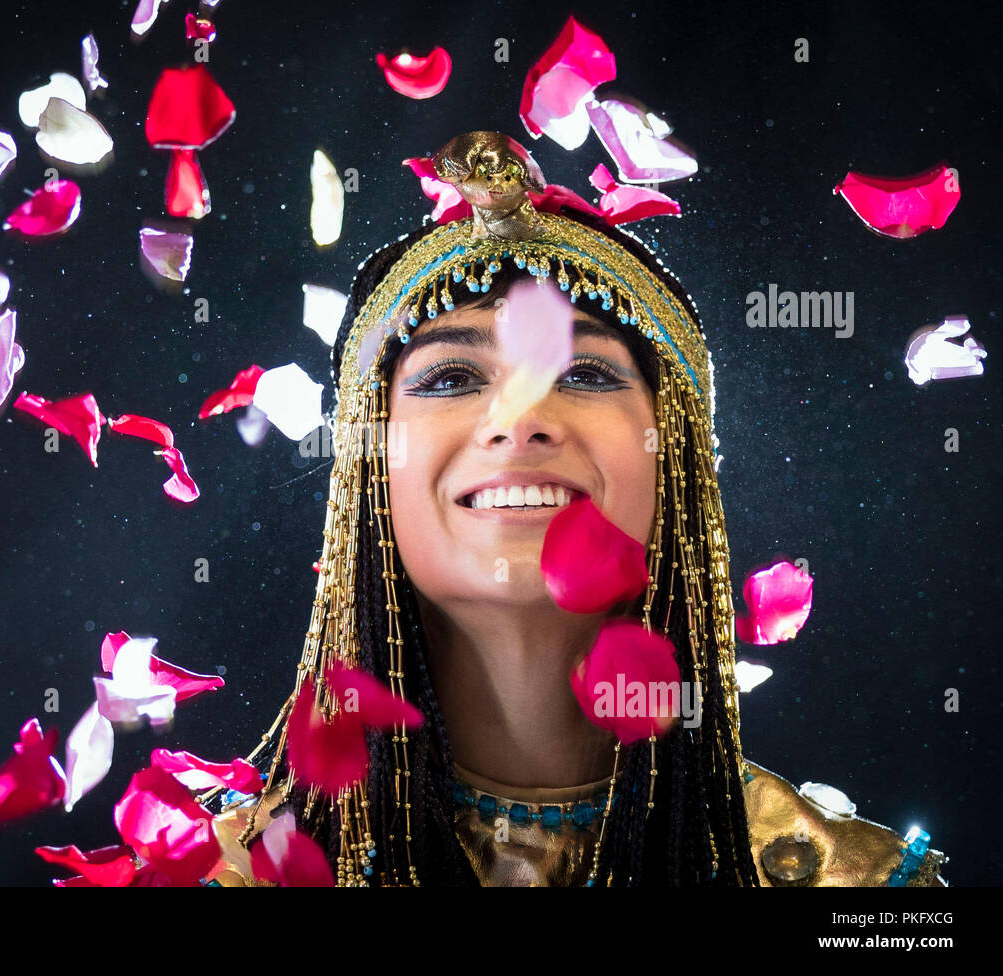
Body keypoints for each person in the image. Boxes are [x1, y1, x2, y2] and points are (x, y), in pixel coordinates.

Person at [200, 131, 948, 887]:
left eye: (586, 373)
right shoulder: (228, 873)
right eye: (452, 378)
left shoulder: (864, 891)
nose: (520, 418)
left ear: (677, 456)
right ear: (366, 470)